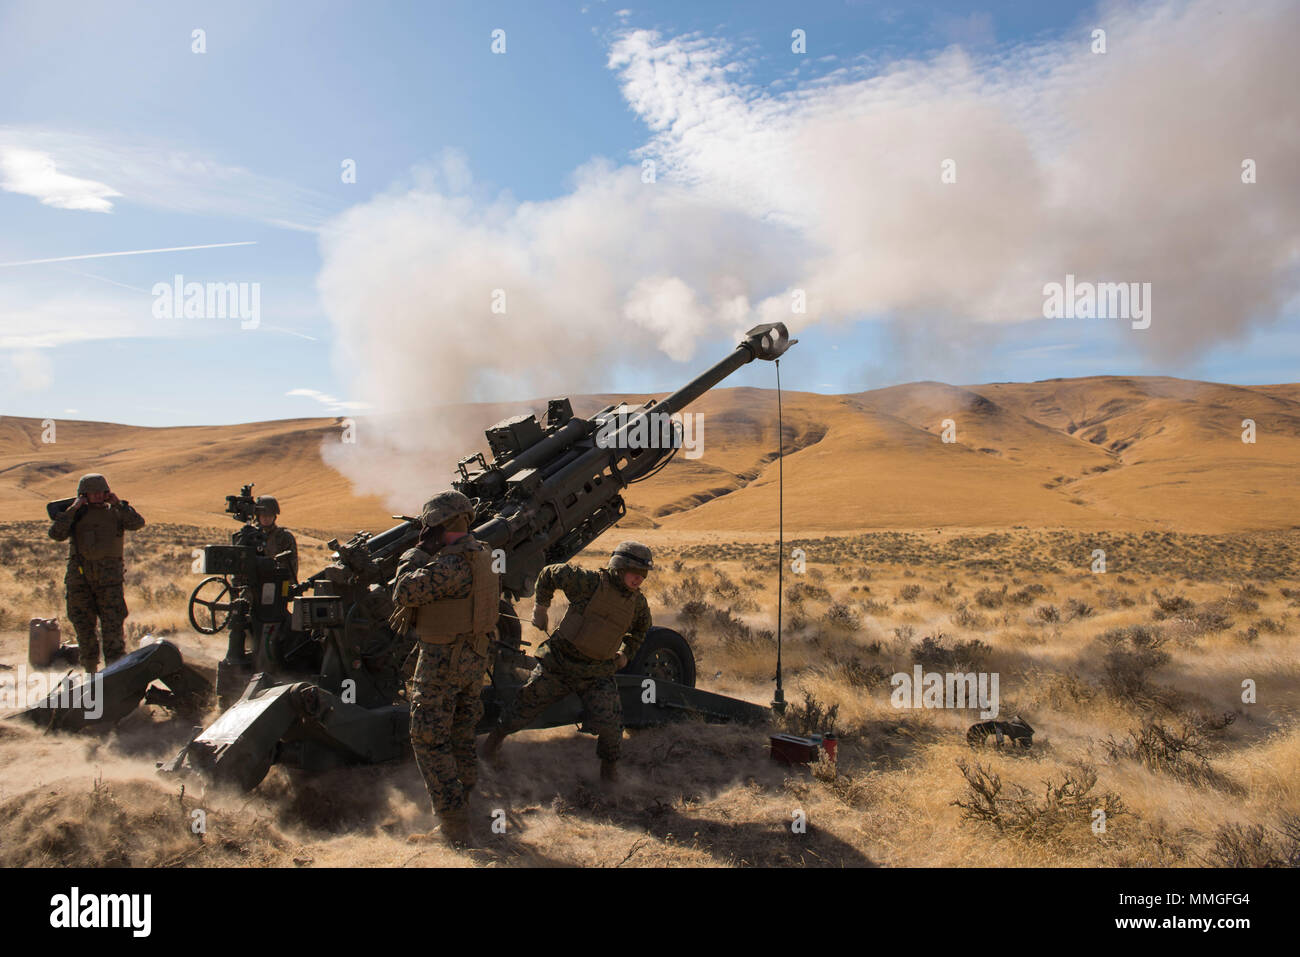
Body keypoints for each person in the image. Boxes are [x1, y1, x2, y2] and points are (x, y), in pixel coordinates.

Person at [481, 541, 652, 783]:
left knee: (611, 726)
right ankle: (491, 747)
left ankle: (609, 775)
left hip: (597, 673)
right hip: (559, 664)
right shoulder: (589, 583)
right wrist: (540, 609)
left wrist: (626, 654)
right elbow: (550, 574)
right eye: (636, 573)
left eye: (643, 575)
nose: (639, 580)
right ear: (620, 567)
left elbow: (640, 631)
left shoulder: (638, 604)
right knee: (522, 707)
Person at [391, 490, 498, 846]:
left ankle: (454, 827)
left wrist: (414, 555)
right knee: (461, 736)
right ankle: (464, 807)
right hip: (472, 662)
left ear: (438, 524)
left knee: (428, 739)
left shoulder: (451, 565)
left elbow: (404, 593)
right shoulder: (482, 555)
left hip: (442, 665)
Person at [47, 473, 145, 673]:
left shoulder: (117, 512)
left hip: (109, 583)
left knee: (113, 633)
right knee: (84, 631)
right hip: (80, 582)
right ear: (83, 495)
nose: (98, 496)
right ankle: (91, 675)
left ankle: (115, 676)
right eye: (92, 493)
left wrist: (119, 504)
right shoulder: (76, 515)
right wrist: (74, 508)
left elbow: (137, 523)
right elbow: (56, 534)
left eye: (101, 492)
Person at [253, 495, 298, 580]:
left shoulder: (284, 537)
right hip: (253, 583)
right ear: (258, 516)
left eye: (270, 515)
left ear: (274, 516)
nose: (267, 518)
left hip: (277, 582)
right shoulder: (250, 536)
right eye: (263, 515)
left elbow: (292, 565)